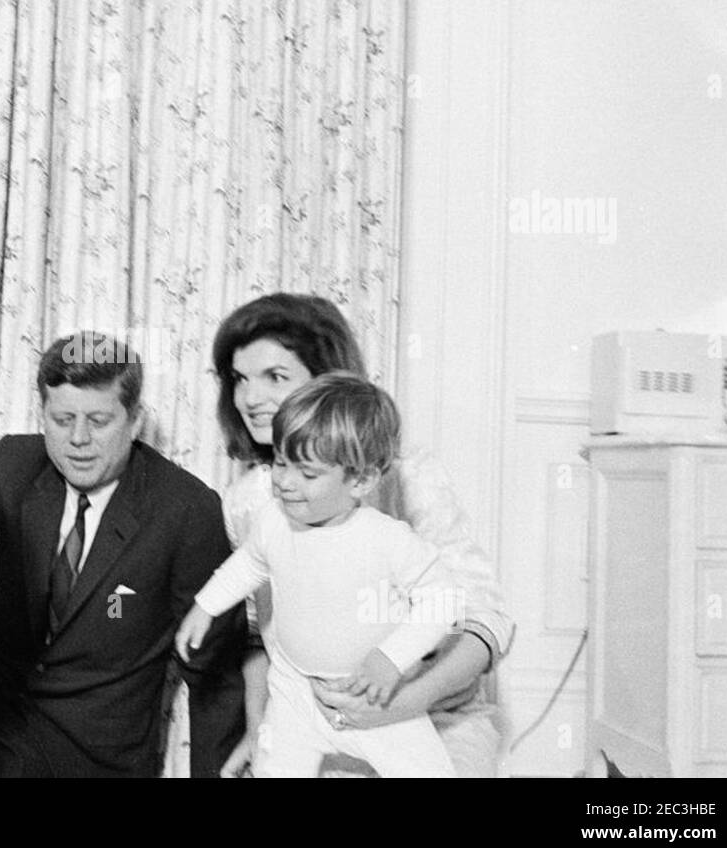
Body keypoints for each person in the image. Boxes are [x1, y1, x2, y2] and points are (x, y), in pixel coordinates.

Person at [0, 332, 246, 777]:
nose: (78, 439)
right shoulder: (14, 463)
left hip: (90, 751)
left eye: (99, 421)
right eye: (63, 420)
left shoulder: (187, 509)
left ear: (135, 421)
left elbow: (215, 676)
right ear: (43, 415)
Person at [208, 293, 515, 778]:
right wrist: (259, 730)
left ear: (328, 383)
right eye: (239, 378)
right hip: (315, 722)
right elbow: (258, 641)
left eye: (275, 376)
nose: (249, 397)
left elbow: (487, 622)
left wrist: (401, 704)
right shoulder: (247, 502)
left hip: (436, 719)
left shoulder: (408, 476)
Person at [178, 372, 458, 777]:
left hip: (371, 696)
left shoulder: (386, 539)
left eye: (307, 473)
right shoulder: (274, 520)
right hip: (295, 692)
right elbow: (250, 563)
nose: (285, 482)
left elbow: (444, 600)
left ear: (360, 480)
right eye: (280, 462)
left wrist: (390, 659)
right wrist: (206, 605)